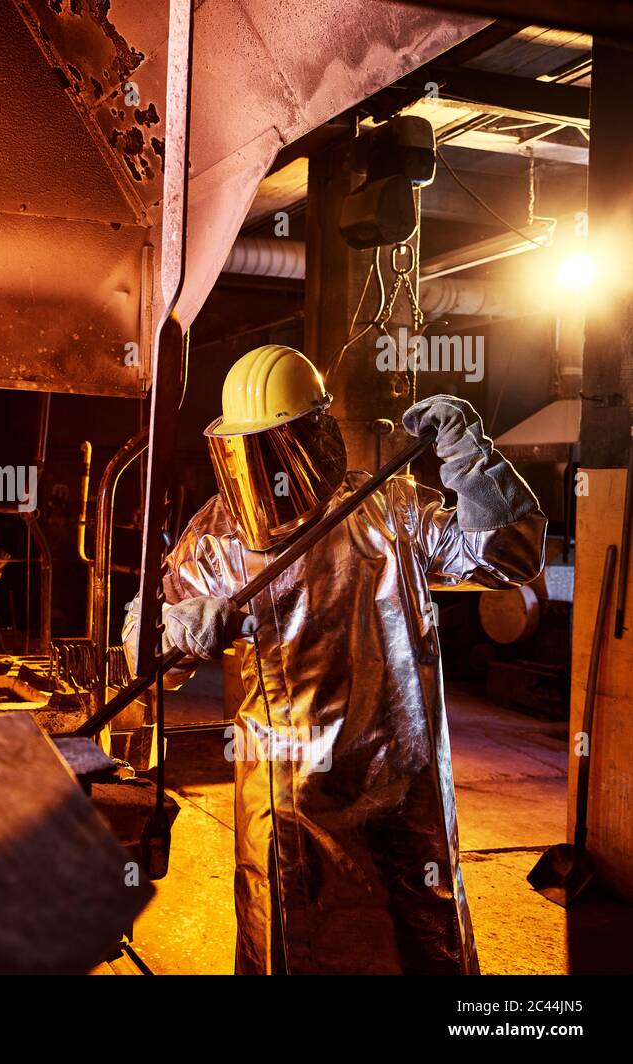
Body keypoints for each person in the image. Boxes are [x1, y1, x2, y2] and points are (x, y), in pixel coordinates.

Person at [123, 344, 545, 974]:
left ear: (315, 434)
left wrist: (469, 459)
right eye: (252, 452)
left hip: (402, 783)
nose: (268, 471)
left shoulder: (388, 509)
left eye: (280, 445)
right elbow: (142, 657)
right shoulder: (214, 538)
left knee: (422, 940)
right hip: (289, 797)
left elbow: (509, 555)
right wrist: (173, 629)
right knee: (292, 942)